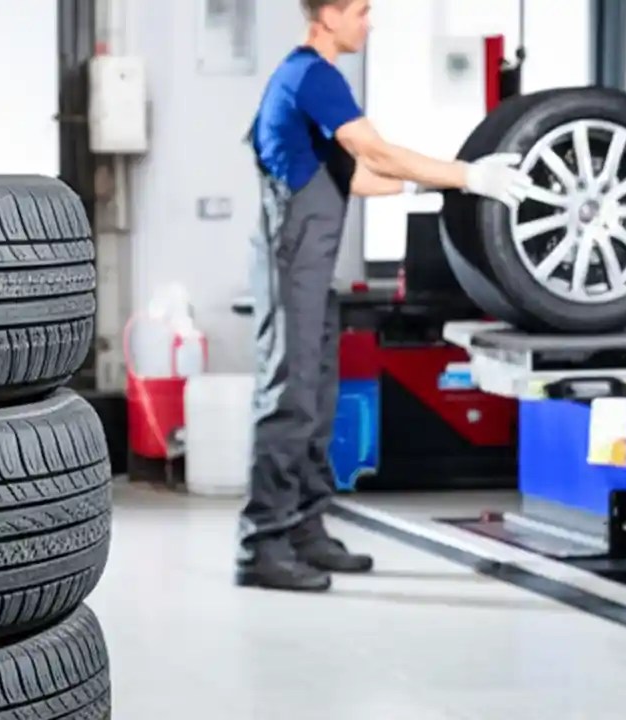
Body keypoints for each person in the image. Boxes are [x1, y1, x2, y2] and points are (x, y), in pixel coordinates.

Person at [236, 0, 533, 592]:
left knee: (317, 397)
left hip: (310, 267)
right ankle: (262, 543)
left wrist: (439, 181)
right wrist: (467, 174)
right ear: (327, 16)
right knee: (289, 400)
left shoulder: (313, 78)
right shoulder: (309, 76)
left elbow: (361, 179)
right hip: (291, 259)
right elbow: (374, 152)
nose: (369, 23)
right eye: (362, 11)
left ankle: (304, 530)